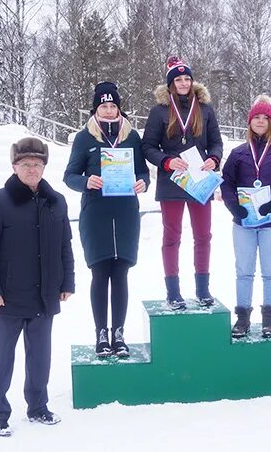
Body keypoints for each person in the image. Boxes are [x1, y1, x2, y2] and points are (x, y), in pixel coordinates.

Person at [0, 137, 75, 437]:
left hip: (45, 295)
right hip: (7, 298)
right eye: (26, 164)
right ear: (14, 166)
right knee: (2, 358)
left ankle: (38, 406)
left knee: (40, 357)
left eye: (38, 164)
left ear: (44, 167)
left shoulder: (56, 200)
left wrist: (67, 281)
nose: (33, 169)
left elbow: (64, 247)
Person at [65, 82, 150, 358]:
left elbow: (143, 172)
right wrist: (86, 181)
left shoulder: (131, 136)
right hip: (96, 214)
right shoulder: (84, 138)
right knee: (100, 273)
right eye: (104, 106)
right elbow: (69, 176)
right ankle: (102, 334)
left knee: (121, 273)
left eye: (113, 106)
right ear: (96, 109)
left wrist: (143, 183)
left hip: (125, 214)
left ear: (119, 108)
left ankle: (119, 334)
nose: (109, 110)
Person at [141, 56, 223, 310]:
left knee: (203, 235)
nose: (184, 83)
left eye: (187, 78)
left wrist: (214, 158)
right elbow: (147, 147)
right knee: (172, 236)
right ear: (171, 84)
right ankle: (173, 292)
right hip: (172, 182)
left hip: (199, 181)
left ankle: (202, 289)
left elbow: (216, 142)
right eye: (178, 79)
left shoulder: (206, 109)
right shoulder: (159, 112)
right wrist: (166, 162)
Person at [221, 95, 271, 338]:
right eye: (256, 117)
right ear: (249, 121)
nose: (260, 121)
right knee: (244, 270)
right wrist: (234, 206)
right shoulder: (238, 153)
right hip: (244, 222)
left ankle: (269, 319)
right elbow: (226, 183)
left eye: (265, 118)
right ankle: (242, 317)